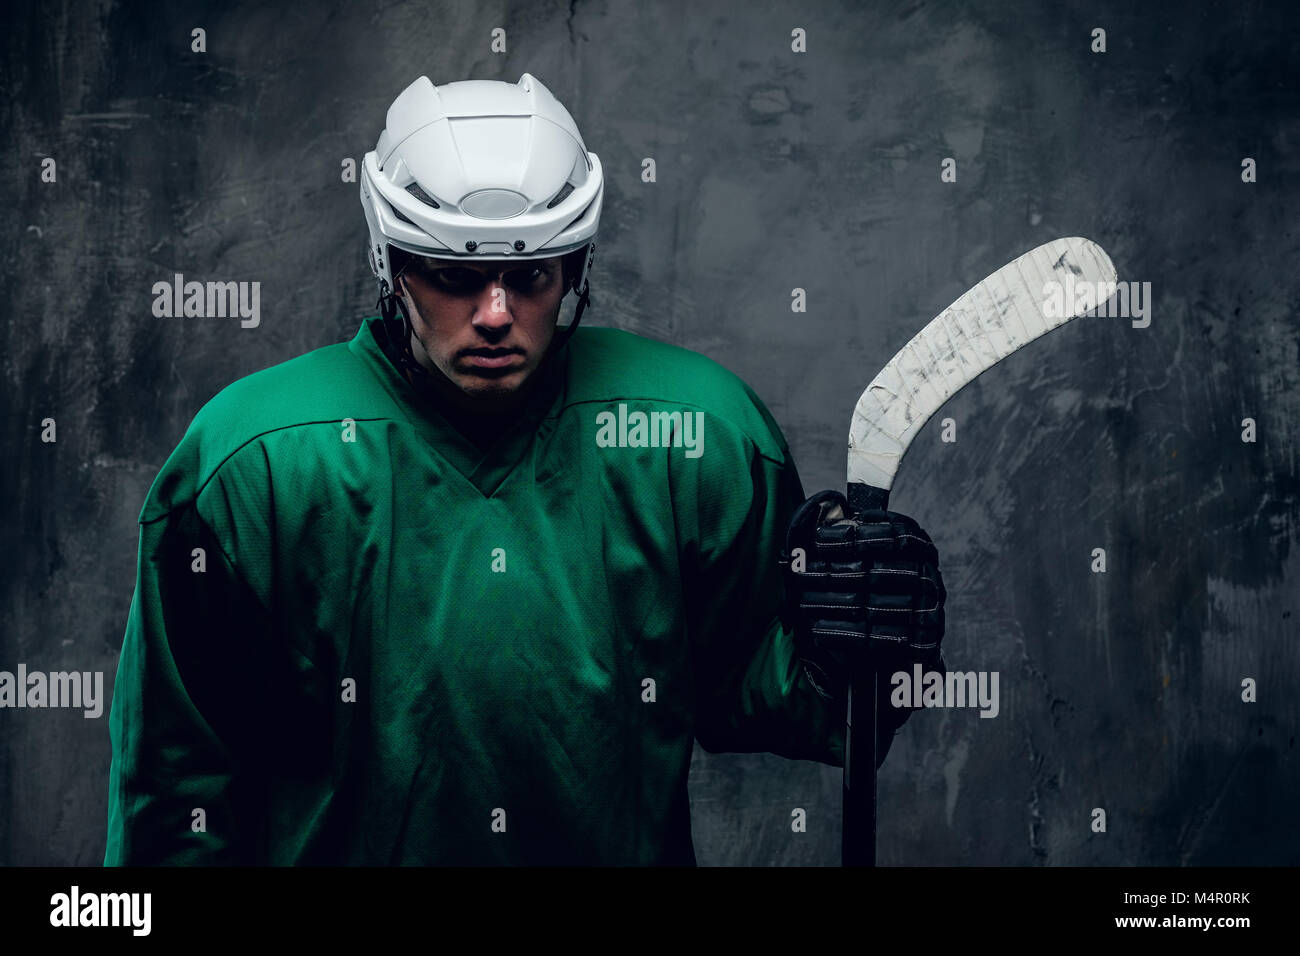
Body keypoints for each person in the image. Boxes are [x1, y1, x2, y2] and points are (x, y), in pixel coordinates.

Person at [103, 73, 945, 866]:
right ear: (391, 263)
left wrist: (865, 654)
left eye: (531, 276)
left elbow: (786, 702)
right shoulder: (249, 465)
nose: (497, 316)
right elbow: (176, 791)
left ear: (575, 265)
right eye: (456, 275)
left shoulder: (698, 433)